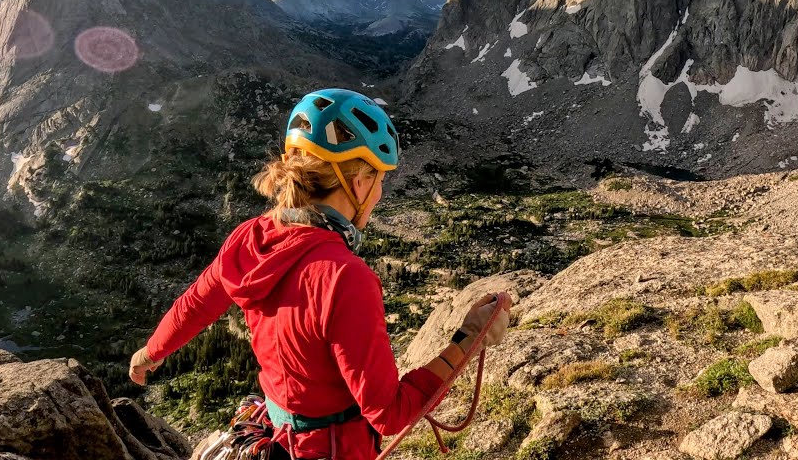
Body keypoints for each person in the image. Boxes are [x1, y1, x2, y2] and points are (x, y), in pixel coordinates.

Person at [129, 88, 511, 459]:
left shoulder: (249, 238)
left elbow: (197, 303)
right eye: (379, 180)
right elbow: (390, 413)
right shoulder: (344, 277)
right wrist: (468, 338)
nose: (379, 193)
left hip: (277, 435)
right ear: (358, 183)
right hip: (332, 448)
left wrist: (151, 351)